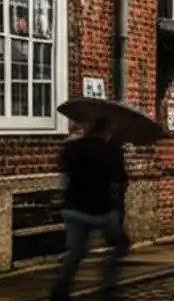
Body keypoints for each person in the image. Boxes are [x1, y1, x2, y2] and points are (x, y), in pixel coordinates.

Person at [50, 116, 130, 301]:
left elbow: (63, 167)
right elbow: (121, 180)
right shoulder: (111, 151)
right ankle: (107, 286)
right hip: (102, 210)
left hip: (74, 208)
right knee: (120, 244)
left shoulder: (72, 148)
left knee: (75, 252)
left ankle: (60, 289)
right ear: (107, 130)